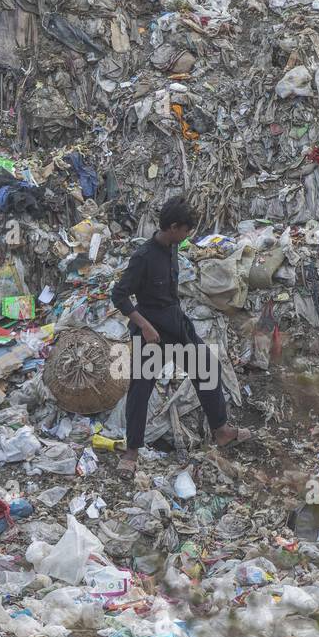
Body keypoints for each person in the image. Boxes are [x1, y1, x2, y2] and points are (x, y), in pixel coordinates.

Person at [110, 197, 252, 474]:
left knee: (206, 368)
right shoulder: (143, 257)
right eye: (186, 229)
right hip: (151, 333)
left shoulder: (174, 247)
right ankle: (131, 452)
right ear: (173, 227)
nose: (188, 235)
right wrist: (145, 326)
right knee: (141, 389)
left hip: (175, 324)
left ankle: (221, 430)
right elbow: (119, 296)